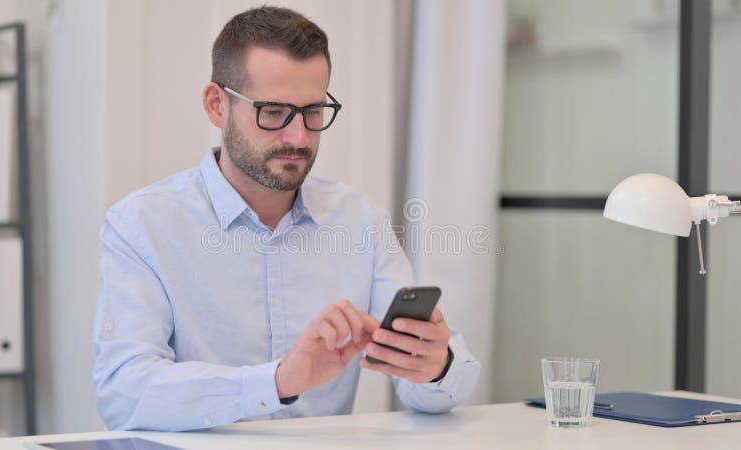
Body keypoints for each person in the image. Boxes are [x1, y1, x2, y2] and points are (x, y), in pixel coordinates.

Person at [93, 6, 480, 432]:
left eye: (313, 112)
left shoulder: (359, 219)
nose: (298, 138)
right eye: (274, 112)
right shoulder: (143, 224)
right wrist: (278, 381)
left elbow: (435, 390)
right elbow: (123, 393)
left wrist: (436, 366)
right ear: (216, 105)